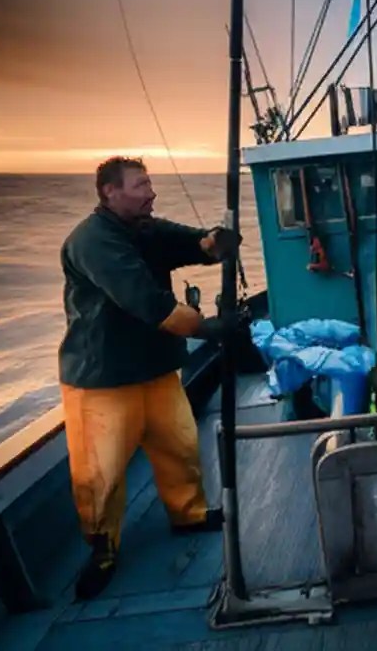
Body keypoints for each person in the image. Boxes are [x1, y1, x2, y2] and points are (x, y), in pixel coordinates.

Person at [58, 155, 242, 600]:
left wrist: (215, 242)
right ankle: (103, 550)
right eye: (140, 185)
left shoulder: (144, 228)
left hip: (156, 369)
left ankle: (190, 514)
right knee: (100, 474)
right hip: (103, 379)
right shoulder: (94, 241)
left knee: (179, 447)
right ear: (110, 192)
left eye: (150, 183)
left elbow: (188, 244)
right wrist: (207, 328)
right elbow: (143, 299)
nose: (151, 192)